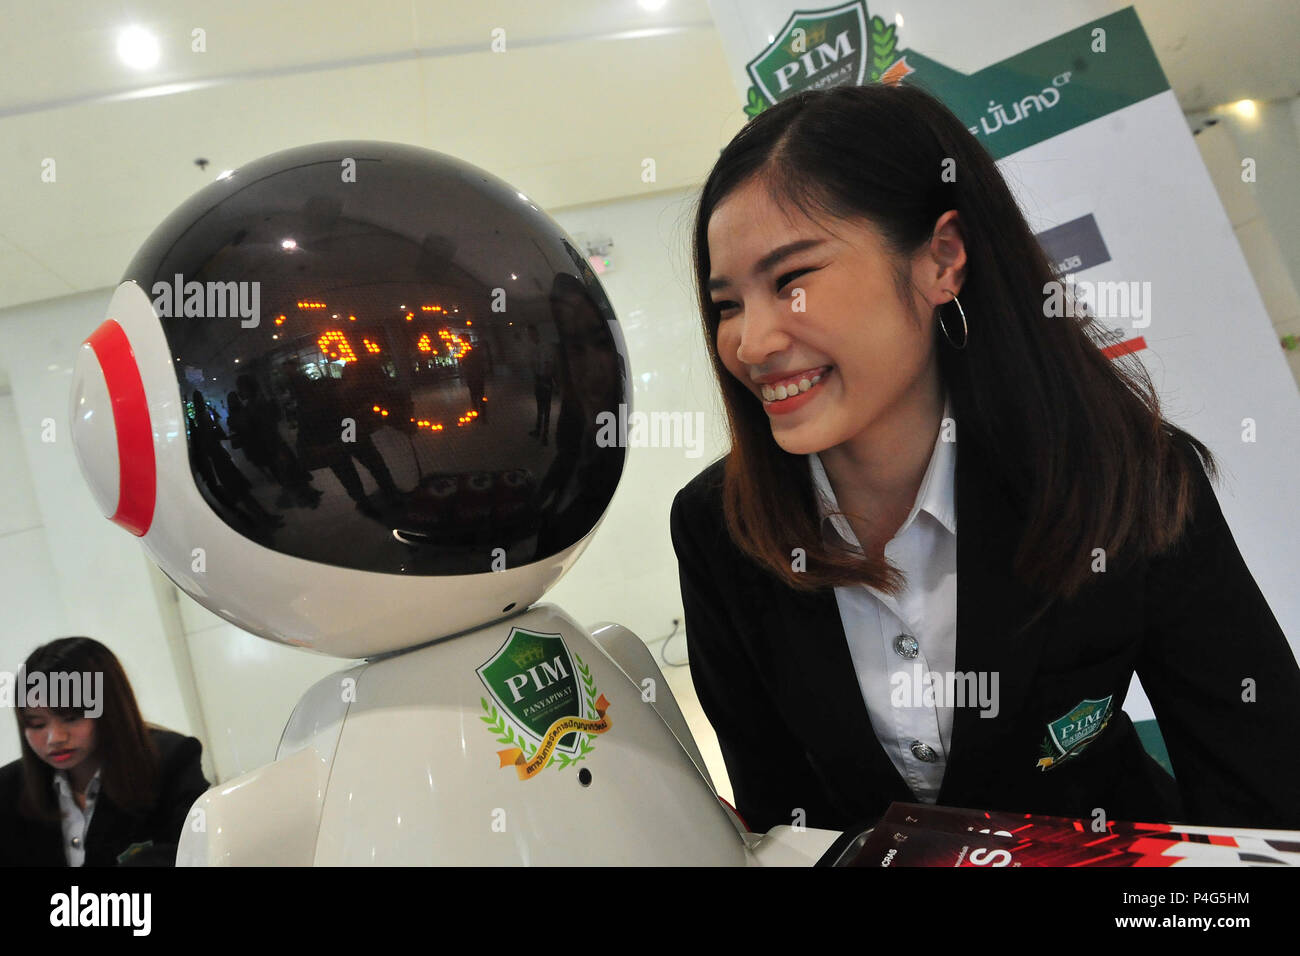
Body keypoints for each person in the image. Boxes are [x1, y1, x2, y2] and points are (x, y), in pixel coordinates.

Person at [671, 81, 1300, 835]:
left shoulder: (1124, 479)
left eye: (792, 282)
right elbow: (785, 825)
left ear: (943, 259)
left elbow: (1264, 790)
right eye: (728, 303)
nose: (751, 342)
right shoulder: (720, 528)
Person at [0, 637, 210, 866]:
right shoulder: (8, 787)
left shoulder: (170, 760)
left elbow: (200, 853)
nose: (55, 738)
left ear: (110, 711)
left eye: (71, 718)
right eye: (37, 724)